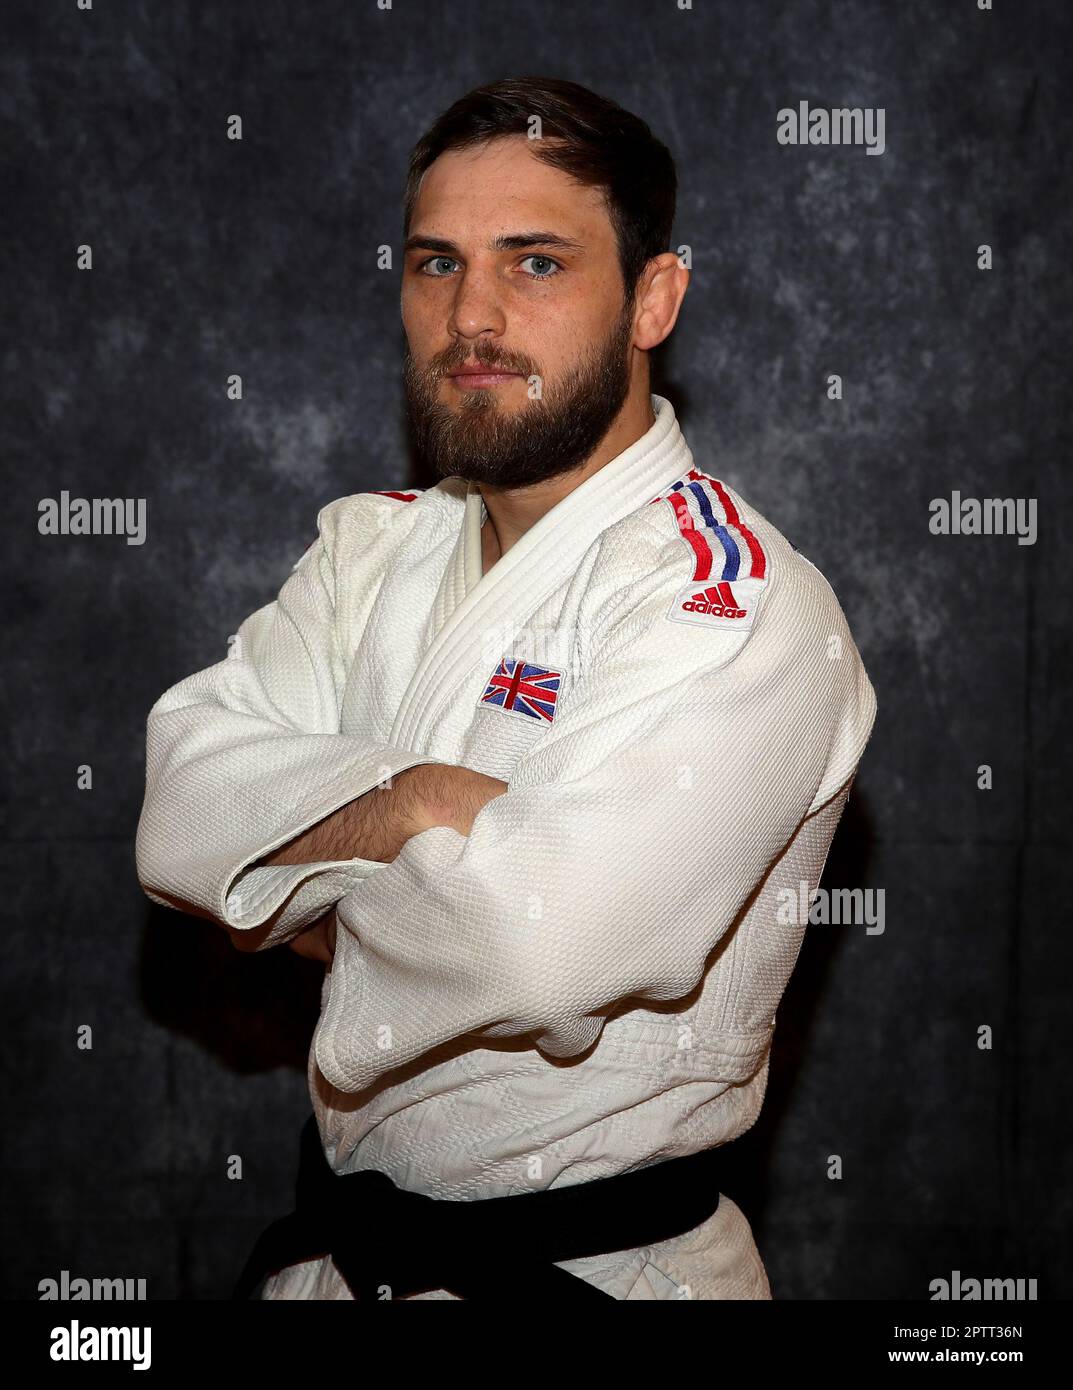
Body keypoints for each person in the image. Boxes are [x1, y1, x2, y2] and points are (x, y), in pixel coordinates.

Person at [136, 75, 877, 1301]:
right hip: (337, 1260)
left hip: (602, 1273)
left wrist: (287, 877)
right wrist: (427, 799)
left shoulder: (736, 598)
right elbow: (177, 815)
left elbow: (543, 942)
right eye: (434, 265)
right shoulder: (367, 550)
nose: (469, 314)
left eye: (533, 263)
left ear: (653, 298)